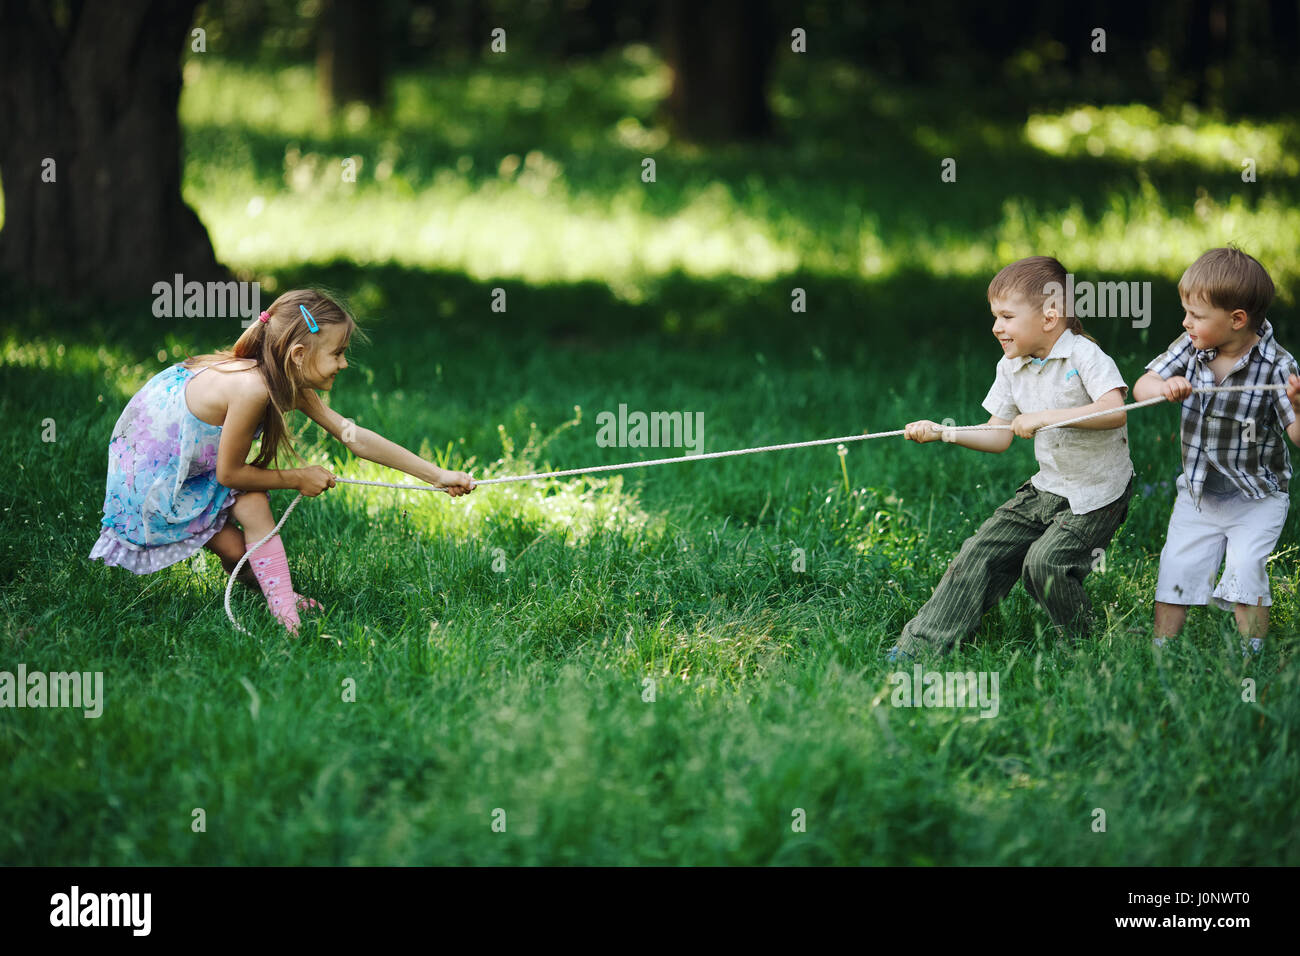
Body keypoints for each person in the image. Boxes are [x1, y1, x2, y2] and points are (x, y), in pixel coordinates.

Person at [89, 288, 475, 633]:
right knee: (238, 553)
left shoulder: (286, 375)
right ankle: (285, 606)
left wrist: (437, 476)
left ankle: (286, 612)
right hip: (160, 473)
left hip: (198, 461)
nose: (344, 364)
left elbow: (354, 438)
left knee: (254, 510)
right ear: (299, 354)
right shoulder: (253, 389)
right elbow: (229, 472)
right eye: (338, 353)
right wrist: (297, 478)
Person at [887, 256, 1134, 660]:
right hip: (1049, 487)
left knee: (1044, 564)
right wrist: (942, 432)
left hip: (1097, 494)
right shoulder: (1011, 365)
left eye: (1006, 316)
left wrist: (1045, 419)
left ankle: (1085, 647)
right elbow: (998, 435)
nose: (996, 327)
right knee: (979, 551)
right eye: (994, 316)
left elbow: (1114, 411)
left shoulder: (1085, 357)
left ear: (1050, 316)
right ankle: (921, 648)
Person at [1131, 247, 1300, 653]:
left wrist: (1296, 406)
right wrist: (1163, 387)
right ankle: (1162, 650)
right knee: (1177, 570)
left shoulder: (1278, 366)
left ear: (1236, 319)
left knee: (1246, 570)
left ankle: (1251, 656)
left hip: (1257, 497)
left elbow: (1296, 435)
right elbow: (1142, 387)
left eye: (1196, 315)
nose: (1185, 322)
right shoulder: (1190, 347)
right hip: (1198, 493)